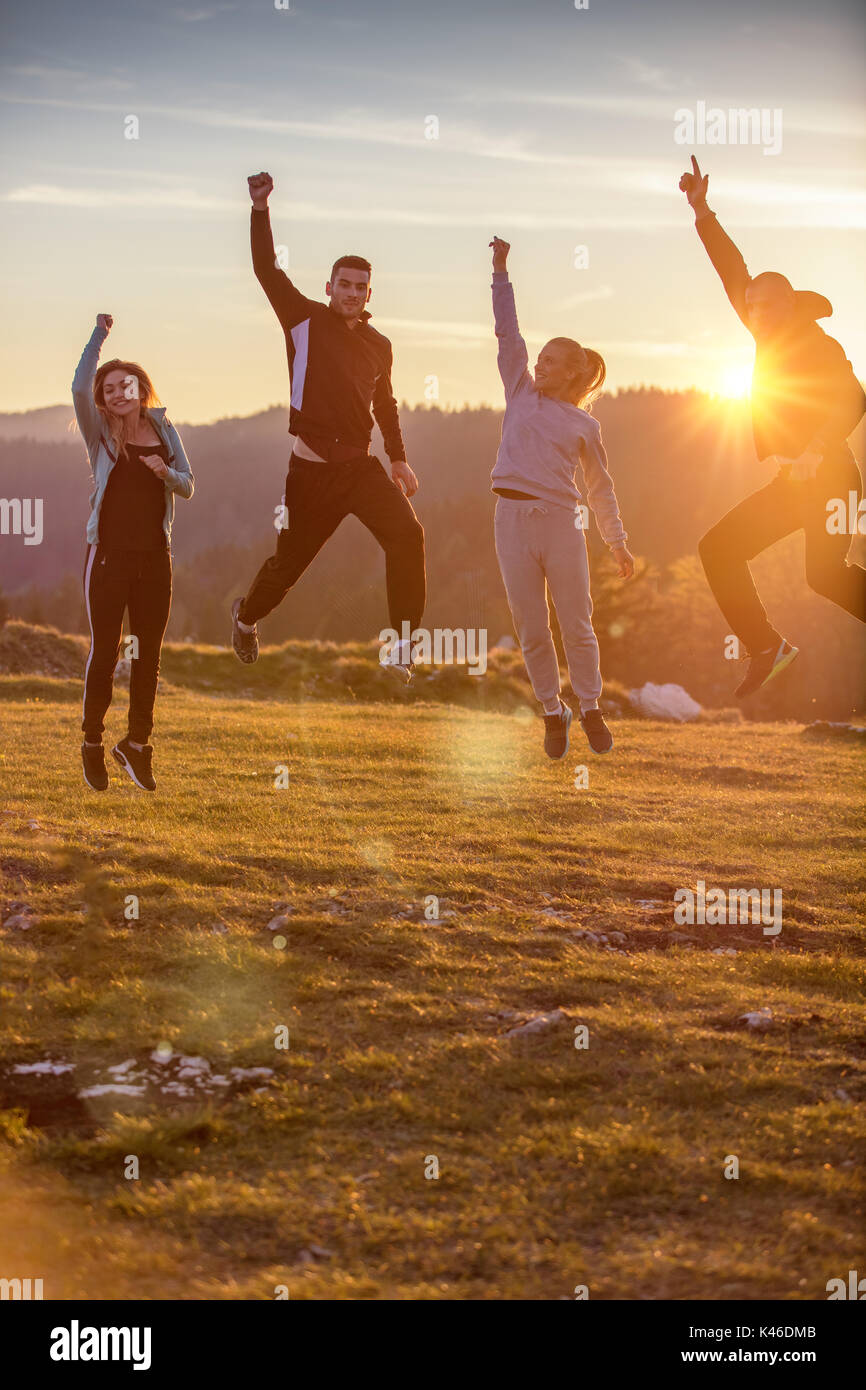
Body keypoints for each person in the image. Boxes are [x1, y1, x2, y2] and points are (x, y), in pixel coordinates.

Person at [680, 155, 866, 697]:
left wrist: (815, 446)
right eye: (751, 305)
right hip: (795, 484)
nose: (755, 311)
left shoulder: (817, 343)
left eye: (766, 304)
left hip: (835, 480)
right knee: (718, 548)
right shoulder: (763, 329)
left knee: (825, 575)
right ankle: (766, 646)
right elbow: (732, 269)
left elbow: (854, 399)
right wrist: (702, 211)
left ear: (791, 304)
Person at [231, 171, 425, 681]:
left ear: (368, 292)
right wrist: (259, 208)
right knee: (288, 568)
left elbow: (385, 404)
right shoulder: (302, 318)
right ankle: (246, 617)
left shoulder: (380, 345)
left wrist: (398, 456)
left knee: (408, 537)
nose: (353, 293)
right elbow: (264, 268)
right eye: (344, 284)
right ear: (329, 286)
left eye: (361, 287)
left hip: (361, 469)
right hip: (311, 474)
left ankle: (403, 645)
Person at [489, 236, 634, 759]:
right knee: (531, 625)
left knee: (576, 622)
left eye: (552, 360)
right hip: (510, 518)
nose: (541, 365)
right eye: (541, 358)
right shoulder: (519, 391)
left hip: (561, 523)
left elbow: (600, 489)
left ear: (573, 371)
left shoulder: (583, 424)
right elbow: (508, 333)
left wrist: (616, 542)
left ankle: (590, 704)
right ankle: (554, 711)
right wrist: (501, 272)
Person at [72, 313, 194, 791]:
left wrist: (166, 473)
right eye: (110, 390)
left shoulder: (165, 432)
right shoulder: (100, 435)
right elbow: (80, 387)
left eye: (126, 386)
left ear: (142, 389)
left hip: (154, 559)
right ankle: (92, 742)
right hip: (107, 558)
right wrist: (99, 336)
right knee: (106, 651)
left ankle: (137, 745)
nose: (118, 394)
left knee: (149, 656)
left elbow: (189, 485)